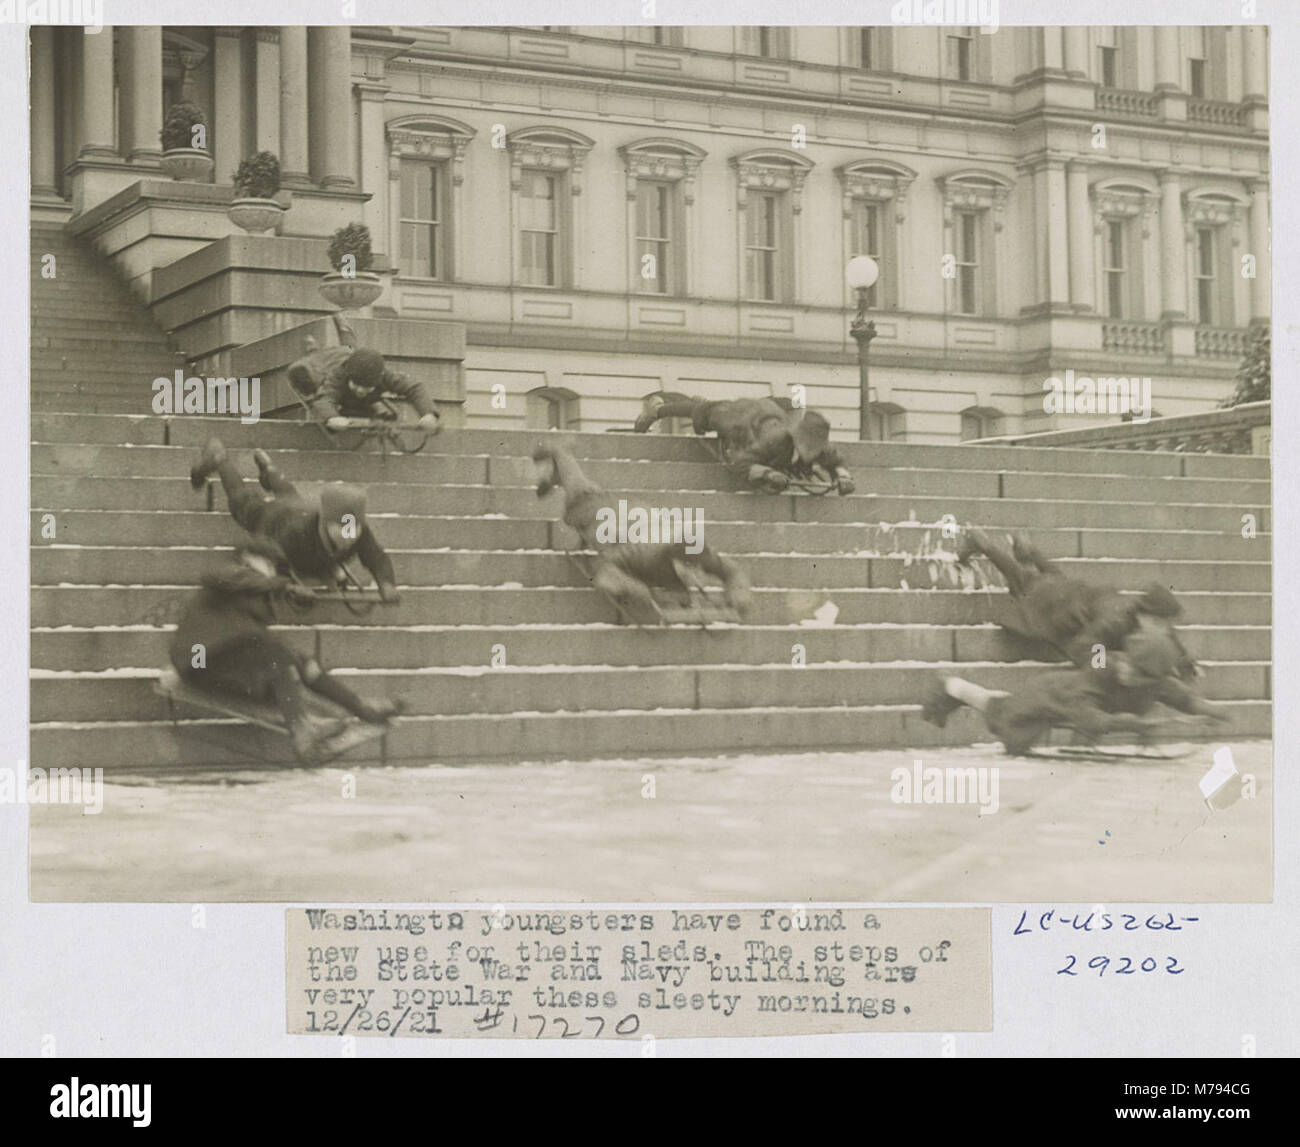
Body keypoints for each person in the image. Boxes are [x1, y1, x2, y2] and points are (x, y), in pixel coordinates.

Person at [170, 538, 401, 763]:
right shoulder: (226, 571)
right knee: (277, 652)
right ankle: (303, 736)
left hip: (225, 665)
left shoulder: (253, 592)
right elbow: (229, 578)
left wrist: (291, 593)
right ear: (248, 557)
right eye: (267, 563)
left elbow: (255, 638)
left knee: (298, 660)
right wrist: (284, 585)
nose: (271, 570)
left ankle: (359, 707)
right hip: (198, 660)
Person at [918, 625, 1228, 757]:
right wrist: (1132, 724)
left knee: (1008, 720)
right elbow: (1090, 719)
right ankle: (950, 685)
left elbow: (1182, 697)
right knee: (1003, 716)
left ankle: (953, 689)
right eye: (1128, 664)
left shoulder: (1156, 682)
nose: (1126, 671)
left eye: (1137, 672)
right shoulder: (1102, 670)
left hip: (1072, 702)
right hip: (1053, 695)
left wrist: (1209, 710)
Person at [533, 442, 752, 621]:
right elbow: (605, 572)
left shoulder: (696, 550)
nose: (696, 573)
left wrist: (738, 590)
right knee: (581, 492)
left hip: (632, 516)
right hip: (599, 513)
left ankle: (556, 470)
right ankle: (558, 453)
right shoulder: (644, 553)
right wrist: (634, 588)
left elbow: (732, 571)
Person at [957, 526, 1198, 680]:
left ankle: (1030, 550)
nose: (1163, 629)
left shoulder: (1147, 620)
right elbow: (1084, 646)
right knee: (1025, 581)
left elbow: (1167, 634)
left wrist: (1184, 661)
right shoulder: (1113, 623)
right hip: (1058, 604)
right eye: (1159, 622)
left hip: (1079, 596)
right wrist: (1108, 666)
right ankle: (982, 543)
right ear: (1146, 616)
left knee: (1055, 579)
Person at [188, 438, 400, 602]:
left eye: (353, 530)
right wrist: (289, 586)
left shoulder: (356, 531)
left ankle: (270, 472)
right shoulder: (295, 532)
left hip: (298, 509)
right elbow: (272, 558)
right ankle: (220, 459)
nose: (349, 537)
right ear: (325, 523)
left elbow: (376, 557)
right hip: (272, 519)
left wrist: (386, 583)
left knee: (290, 496)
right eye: (341, 529)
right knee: (242, 502)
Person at [631, 394, 855, 495]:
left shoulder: (820, 445)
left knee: (710, 407)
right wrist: (766, 473)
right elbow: (742, 462)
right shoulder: (774, 442)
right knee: (705, 412)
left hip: (770, 414)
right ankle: (657, 411)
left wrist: (843, 477)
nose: (813, 453)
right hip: (743, 421)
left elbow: (836, 460)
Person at [287, 317, 440, 433]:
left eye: (366, 387)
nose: (360, 390)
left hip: (349, 353)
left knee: (351, 348)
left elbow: (414, 387)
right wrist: (331, 417)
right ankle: (312, 347)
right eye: (357, 385)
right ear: (349, 378)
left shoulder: (385, 375)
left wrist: (428, 413)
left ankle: (343, 329)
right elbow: (325, 399)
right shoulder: (337, 377)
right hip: (322, 365)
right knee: (304, 372)